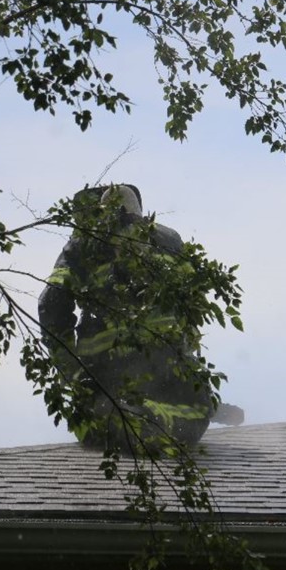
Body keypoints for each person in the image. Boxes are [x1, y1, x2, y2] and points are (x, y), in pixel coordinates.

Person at [37, 185, 242, 452]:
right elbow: (193, 302)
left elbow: (51, 305)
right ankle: (195, 410)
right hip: (171, 366)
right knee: (188, 419)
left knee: (95, 426)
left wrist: (72, 372)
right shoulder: (170, 240)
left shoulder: (82, 245)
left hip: (108, 373)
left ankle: (147, 420)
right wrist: (188, 360)